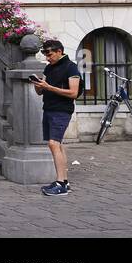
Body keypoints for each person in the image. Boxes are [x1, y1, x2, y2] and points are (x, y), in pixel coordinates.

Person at [33, 39, 81, 197]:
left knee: (53, 143)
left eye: (49, 54)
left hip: (62, 110)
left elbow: (73, 93)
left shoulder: (70, 67)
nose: (47, 57)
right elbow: (41, 92)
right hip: (48, 109)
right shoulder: (49, 67)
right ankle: (64, 182)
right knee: (57, 145)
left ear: (59, 51)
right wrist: (38, 85)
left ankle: (60, 183)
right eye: (45, 54)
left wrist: (49, 87)